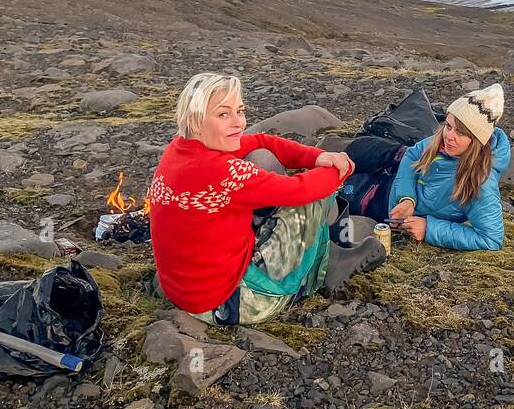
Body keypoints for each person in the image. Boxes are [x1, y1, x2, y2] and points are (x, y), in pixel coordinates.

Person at [149, 72, 386, 325]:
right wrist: (336, 169)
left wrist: (316, 156)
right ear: (196, 121)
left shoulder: (178, 150)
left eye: (239, 111)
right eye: (223, 114)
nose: (237, 123)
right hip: (236, 301)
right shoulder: (222, 171)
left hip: (186, 292)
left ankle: (326, 255)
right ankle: (326, 269)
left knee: (262, 154)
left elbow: (261, 141)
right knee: (312, 197)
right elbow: (302, 190)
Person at [387, 83, 509, 251]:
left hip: (390, 217)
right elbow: (412, 154)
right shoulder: (440, 141)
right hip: (389, 194)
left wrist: (429, 229)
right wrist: (407, 199)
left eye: (461, 133)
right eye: (448, 126)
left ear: (477, 141)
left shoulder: (481, 181)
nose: (449, 136)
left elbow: (491, 239)